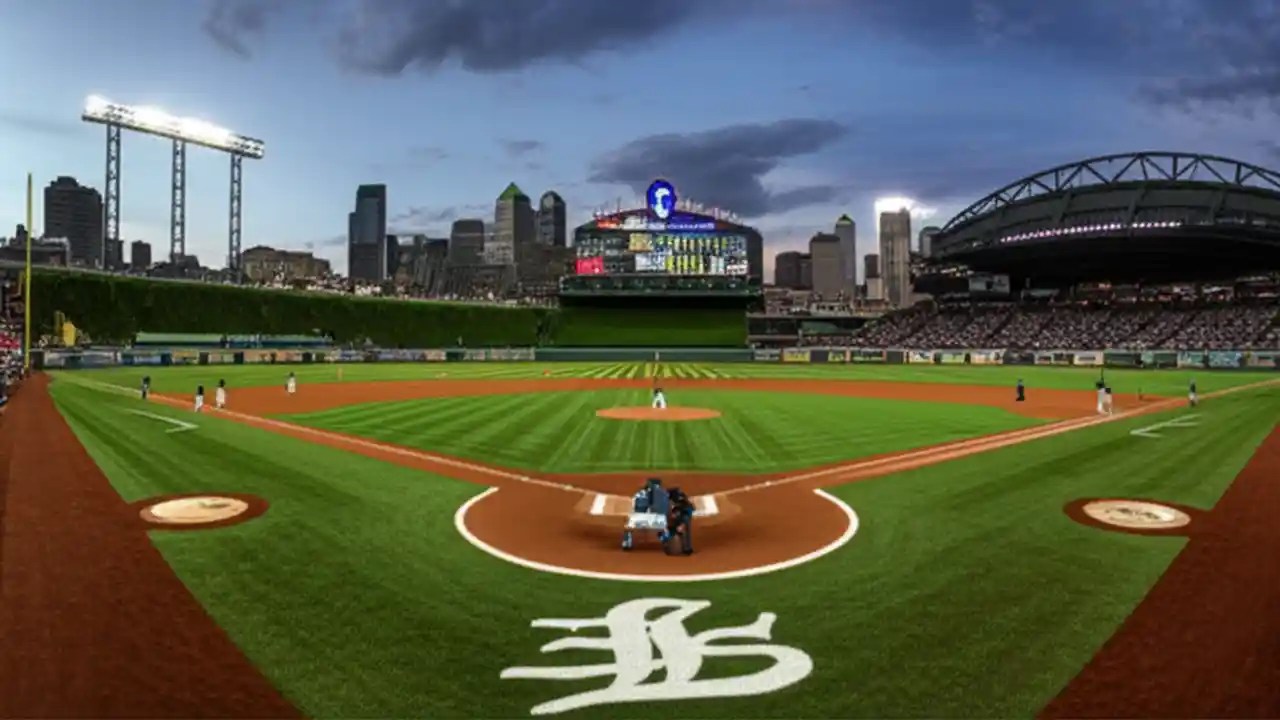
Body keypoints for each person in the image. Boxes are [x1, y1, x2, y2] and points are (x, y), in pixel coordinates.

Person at [662, 487, 696, 555]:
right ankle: (668, 546)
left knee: (684, 529)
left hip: (684, 516)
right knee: (669, 528)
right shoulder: (674, 501)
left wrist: (682, 524)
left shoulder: (683, 504)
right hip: (678, 515)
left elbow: (689, 510)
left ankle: (687, 549)